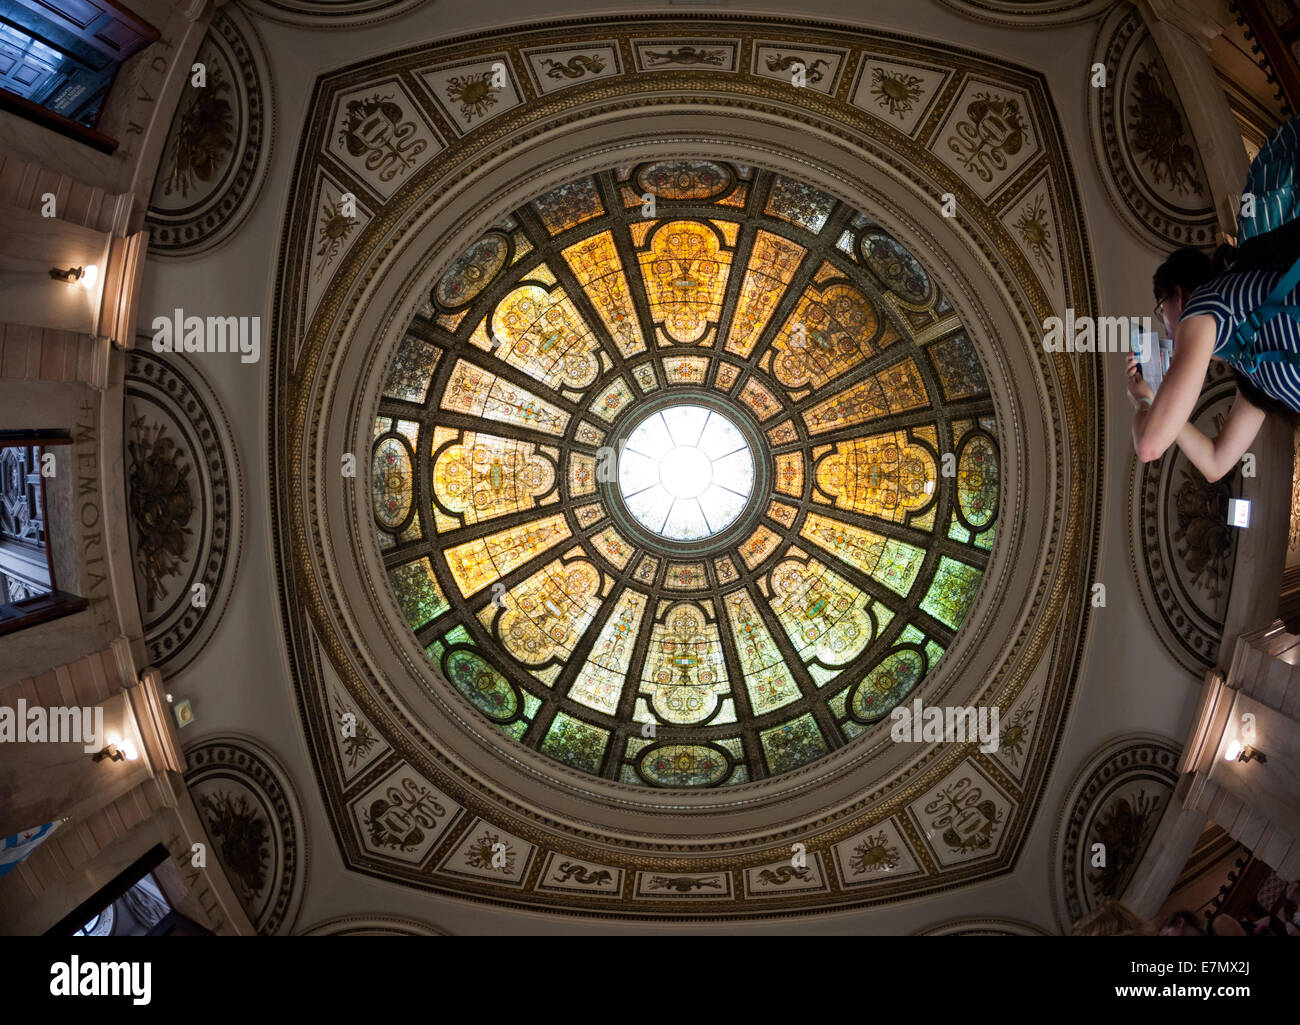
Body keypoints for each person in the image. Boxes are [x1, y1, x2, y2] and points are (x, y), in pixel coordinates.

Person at [1128, 117, 1300, 478]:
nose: (1170, 330)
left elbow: (1148, 445)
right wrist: (1156, 398)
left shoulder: (1206, 308)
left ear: (1179, 295)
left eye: (1163, 313)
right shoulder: (1249, 369)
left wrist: (1143, 401)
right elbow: (1215, 463)